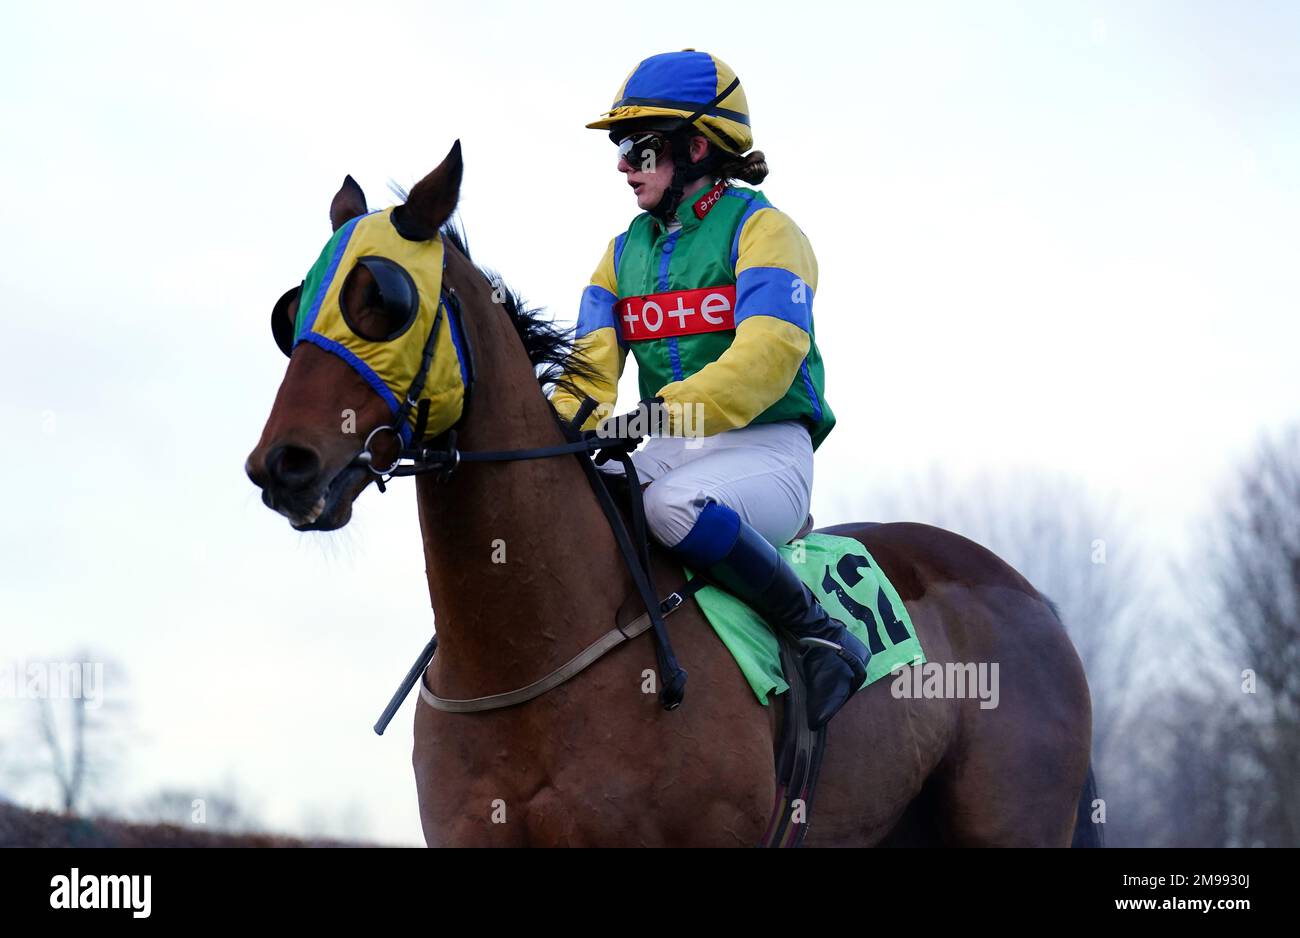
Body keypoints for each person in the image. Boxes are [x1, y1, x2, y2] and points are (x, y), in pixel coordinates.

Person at [550, 50, 871, 730]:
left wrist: (660, 415)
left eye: (638, 146)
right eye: (619, 147)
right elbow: (588, 369)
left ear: (696, 147)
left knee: (669, 505)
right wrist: (554, 435)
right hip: (676, 439)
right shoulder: (618, 255)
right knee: (580, 486)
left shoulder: (765, 231)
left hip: (770, 448)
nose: (621, 164)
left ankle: (820, 636)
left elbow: (768, 355)